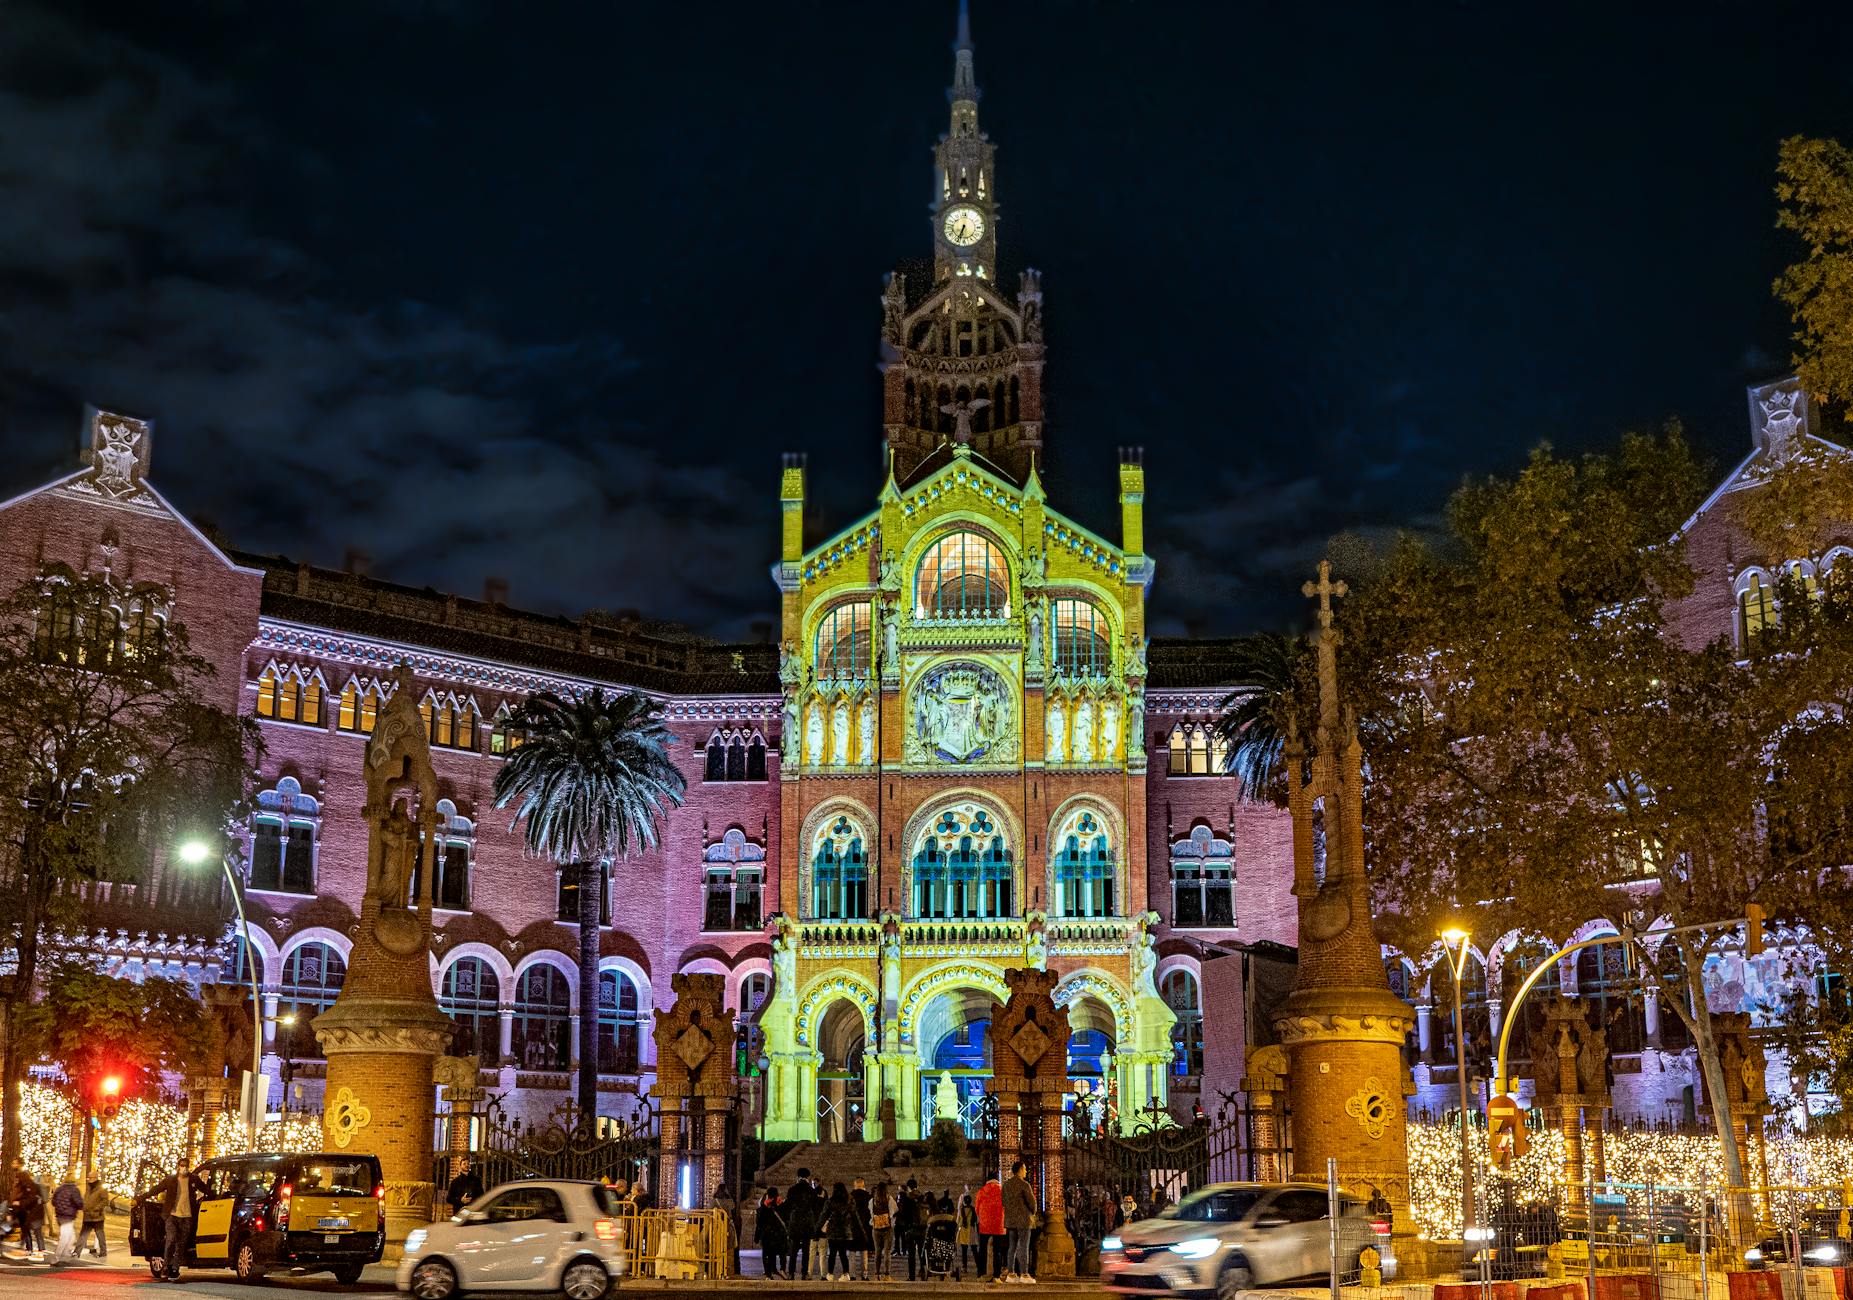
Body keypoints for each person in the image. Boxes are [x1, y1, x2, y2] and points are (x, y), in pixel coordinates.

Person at [157, 1159, 203, 1282]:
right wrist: (140, 1199)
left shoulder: (194, 1179)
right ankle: (166, 1266)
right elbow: (156, 1189)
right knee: (171, 1239)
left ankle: (175, 1268)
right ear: (178, 1166)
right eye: (182, 1166)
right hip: (172, 1215)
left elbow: (205, 1189)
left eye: (186, 1166)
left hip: (187, 1216)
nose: (184, 1168)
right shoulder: (171, 1179)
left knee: (181, 1244)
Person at [1002, 1159, 1037, 1284]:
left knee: (1012, 1247)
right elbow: (1032, 1203)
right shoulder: (1024, 1185)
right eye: (1025, 1169)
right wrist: (1032, 1212)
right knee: (1023, 1247)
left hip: (1011, 1220)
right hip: (1023, 1220)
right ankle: (1024, 1273)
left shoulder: (1006, 1185)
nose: (1026, 1171)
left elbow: (1004, 1202)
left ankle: (1011, 1274)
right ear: (1020, 1170)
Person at [784, 1169, 817, 1281]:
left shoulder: (792, 1190)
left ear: (798, 1177)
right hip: (807, 1222)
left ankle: (791, 1273)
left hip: (795, 1222)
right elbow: (815, 1206)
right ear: (808, 1177)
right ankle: (804, 1273)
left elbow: (787, 1206)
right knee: (806, 1250)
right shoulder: (811, 1191)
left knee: (793, 1250)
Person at [974, 1172, 1005, 1280]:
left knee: (982, 1250)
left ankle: (981, 1273)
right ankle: (996, 1275)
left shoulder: (982, 1191)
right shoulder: (1002, 1190)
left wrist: (982, 1216)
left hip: (984, 1224)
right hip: (999, 1224)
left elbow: (976, 1208)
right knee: (998, 1251)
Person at [823, 1182, 855, 1282]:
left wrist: (817, 1228)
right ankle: (846, 1274)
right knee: (843, 1254)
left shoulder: (830, 1201)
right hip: (844, 1231)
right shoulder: (849, 1201)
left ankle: (830, 1274)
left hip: (833, 1231)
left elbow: (823, 1215)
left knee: (832, 1253)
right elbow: (854, 1216)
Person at [755, 1187, 789, 1280]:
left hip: (767, 1235)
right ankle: (782, 1269)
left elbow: (759, 1222)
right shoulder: (781, 1205)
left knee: (767, 1254)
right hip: (779, 1235)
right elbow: (786, 1218)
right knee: (781, 1253)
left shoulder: (764, 1207)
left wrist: (757, 1236)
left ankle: (768, 1274)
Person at [898, 1178, 927, 1281]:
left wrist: (904, 1227)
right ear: (917, 1186)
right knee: (922, 1252)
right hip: (922, 1229)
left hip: (911, 1229)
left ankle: (912, 1276)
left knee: (911, 1254)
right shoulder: (922, 1197)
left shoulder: (906, 1198)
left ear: (909, 1187)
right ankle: (924, 1273)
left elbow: (903, 1214)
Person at [49, 1173, 81, 1264]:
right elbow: (78, 1202)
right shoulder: (74, 1190)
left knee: (71, 1238)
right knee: (65, 1238)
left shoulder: (59, 1189)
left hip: (60, 1216)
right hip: (68, 1217)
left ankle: (65, 1256)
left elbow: (53, 1201)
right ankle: (57, 1258)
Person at [12, 1169, 44, 1257]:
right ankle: (29, 1248)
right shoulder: (22, 1186)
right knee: (27, 1230)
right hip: (25, 1211)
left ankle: (39, 1250)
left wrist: (20, 1203)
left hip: (33, 1212)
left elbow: (30, 1199)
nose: (16, 1180)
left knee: (35, 1231)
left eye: (18, 1179)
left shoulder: (30, 1187)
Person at [868, 1181, 895, 1282]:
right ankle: (887, 1275)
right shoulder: (889, 1199)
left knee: (877, 1251)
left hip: (876, 1228)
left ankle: (876, 1275)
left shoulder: (872, 1201)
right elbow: (894, 1211)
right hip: (888, 1228)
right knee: (887, 1251)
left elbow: (871, 1212)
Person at [851, 1176, 874, 1282]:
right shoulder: (869, 1197)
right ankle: (864, 1274)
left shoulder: (850, 1196)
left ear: (855, 1185)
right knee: (864, 1252)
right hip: (865, 1227)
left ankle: (852, 1275)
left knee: (852, 1252)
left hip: (853, 1227)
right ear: (863, 1185)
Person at [79, 1179, 107, 1259]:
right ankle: (77, 1252)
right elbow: (86, 1200)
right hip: (88, 1216)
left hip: (97, 1217)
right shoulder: (88, 1188)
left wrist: (97, 1208)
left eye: (90, 1177)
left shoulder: (101, 1189)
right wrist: (84, 1207)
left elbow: (105, 1201)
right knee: (83, 1235)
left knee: (100, 1234)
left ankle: (103, 1252)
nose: (88, 1179)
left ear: (95, 1178)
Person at [957, 1189, 979, 1274]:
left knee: (964, 1251)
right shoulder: (974, 1210)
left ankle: (964, 1267)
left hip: (963, 1232)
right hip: (972, 1232)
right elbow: (977, 1221)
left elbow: (959, 1222)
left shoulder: (961, 1210)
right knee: (974, 1250)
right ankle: (978, 1266)